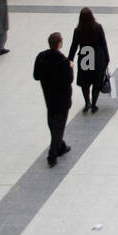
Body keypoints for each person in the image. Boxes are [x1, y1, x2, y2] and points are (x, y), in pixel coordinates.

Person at [32, 32, 73, 167]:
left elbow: (36, 76)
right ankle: (52, 154)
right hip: (62, 98)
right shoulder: (63, 62)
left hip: (49, 96)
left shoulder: (41, 57)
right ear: (59, 44)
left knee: (52, 122)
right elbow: (69, 79)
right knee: (58, 127)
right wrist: (71, 68)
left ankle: (61, 146)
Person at [68, 7, 110, 113]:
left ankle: (87, 102)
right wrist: (107, 58)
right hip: (97, 57)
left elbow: (74, 46)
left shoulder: (78, 30)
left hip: (85, 56)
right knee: (96, 81)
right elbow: (103, 43)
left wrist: (70, 59)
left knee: (85, 81)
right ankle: (94, 104)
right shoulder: (98, 27)